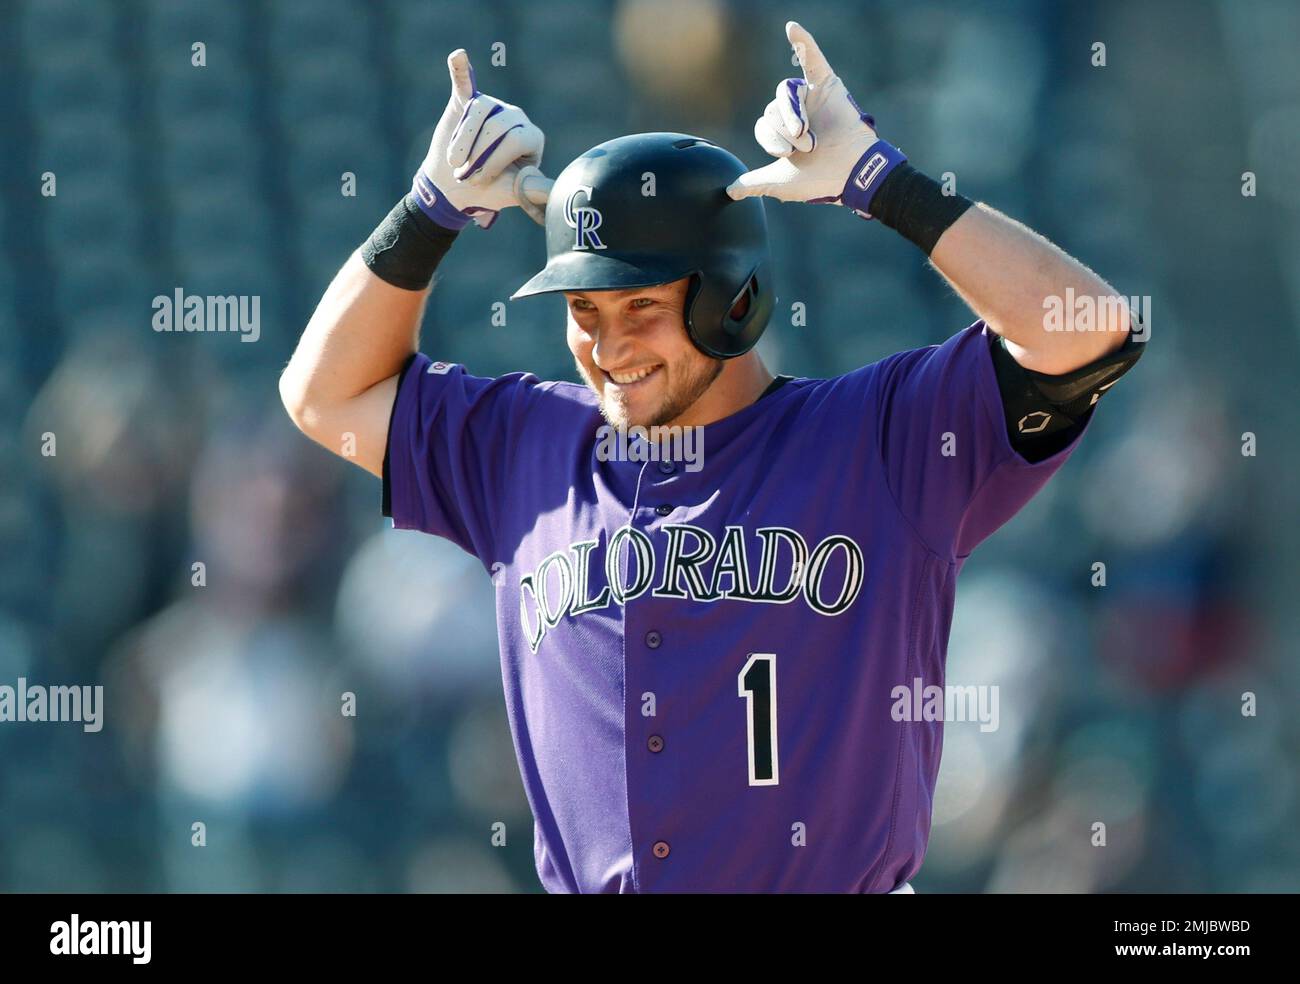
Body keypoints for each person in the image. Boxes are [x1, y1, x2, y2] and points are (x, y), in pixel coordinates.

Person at [280, 22, 1144, 893]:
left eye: (640, 306)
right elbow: (323, 396)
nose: (608, 345)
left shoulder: (879, 439)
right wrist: (429, 212)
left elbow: (1087, 331)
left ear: (734, 298)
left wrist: (885, 186)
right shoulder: (523, 445)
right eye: (584, 310)